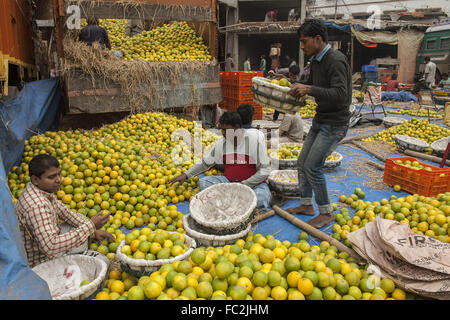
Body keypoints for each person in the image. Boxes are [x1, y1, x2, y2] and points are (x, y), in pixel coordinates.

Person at [287, 19, 352, 229]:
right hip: (320, 119)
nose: (302, 46)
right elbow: (313, 85)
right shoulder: (315, 60)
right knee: (302, 162)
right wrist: (296, 86)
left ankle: (326, 212)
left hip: (335, 123)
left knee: (313, 166)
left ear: (318, 39)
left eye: (305, 42)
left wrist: (309, 90)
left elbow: (342, 95)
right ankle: (307, 205)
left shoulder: (335, 60)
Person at [15, 154, 114, 268]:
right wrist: (90, 226)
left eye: (59, 174)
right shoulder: (37, 206)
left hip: (45, 241)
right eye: (51, 177)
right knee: (103, 262)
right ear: (35, 180)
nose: (58, 180)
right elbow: (50, 247)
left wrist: (92, 229)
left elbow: (66, 213)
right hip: (42, 260)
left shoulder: (39, 190)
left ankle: (83, 244)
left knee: (77, 225)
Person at [169, 111, 272, 212]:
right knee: (204, 182)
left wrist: (245, 184)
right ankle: (236, 204)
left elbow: (265, 170)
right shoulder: (221, 144)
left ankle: (232, 203)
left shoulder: (254, 142)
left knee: (260, 198)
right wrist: (186, 174)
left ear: (237, 127)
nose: (222, 133)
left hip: (253, 186)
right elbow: (205, 163)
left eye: (225, 130)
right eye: (221, 130)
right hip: (229, 184)